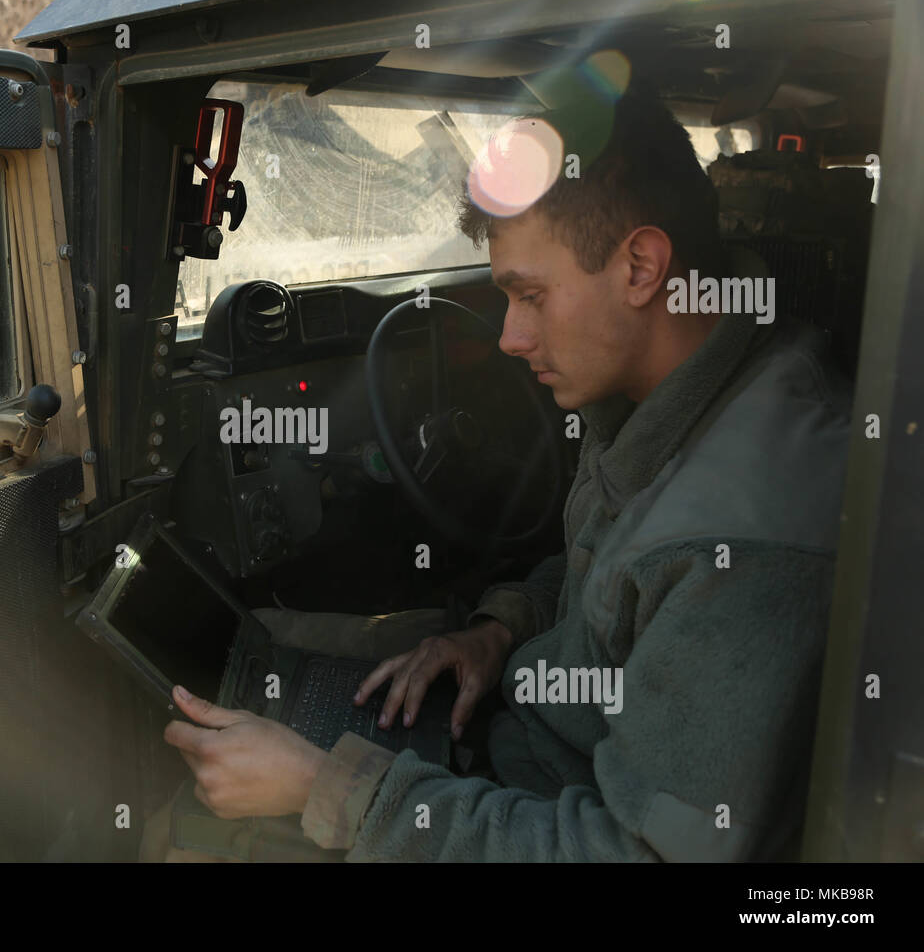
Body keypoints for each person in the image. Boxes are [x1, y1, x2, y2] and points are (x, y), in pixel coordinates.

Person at [153, 80, 851, 861]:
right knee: (247, 660)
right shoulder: (678, 378)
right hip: (518, 735)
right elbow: (612, 578)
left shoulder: (748, 542)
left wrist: (332, 791)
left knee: (187, 836)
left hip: (546, 807)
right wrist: (502, 629)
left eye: (530, 296)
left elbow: (632, 854)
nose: (511, 338)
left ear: (643, 267)